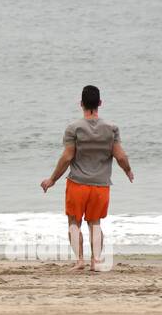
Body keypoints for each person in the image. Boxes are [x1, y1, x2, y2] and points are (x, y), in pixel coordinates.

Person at [40, 85, 134, 273]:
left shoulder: (74, 128)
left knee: (74, 223)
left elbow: (67, 157)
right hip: (101, 186)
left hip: (77, 184)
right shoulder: (111, 128)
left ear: (81, 103)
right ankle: (96, 260)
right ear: (100, 103)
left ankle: (79, 260)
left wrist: (52, 180)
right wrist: (128, 171)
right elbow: (121, 156)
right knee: (95, 223)